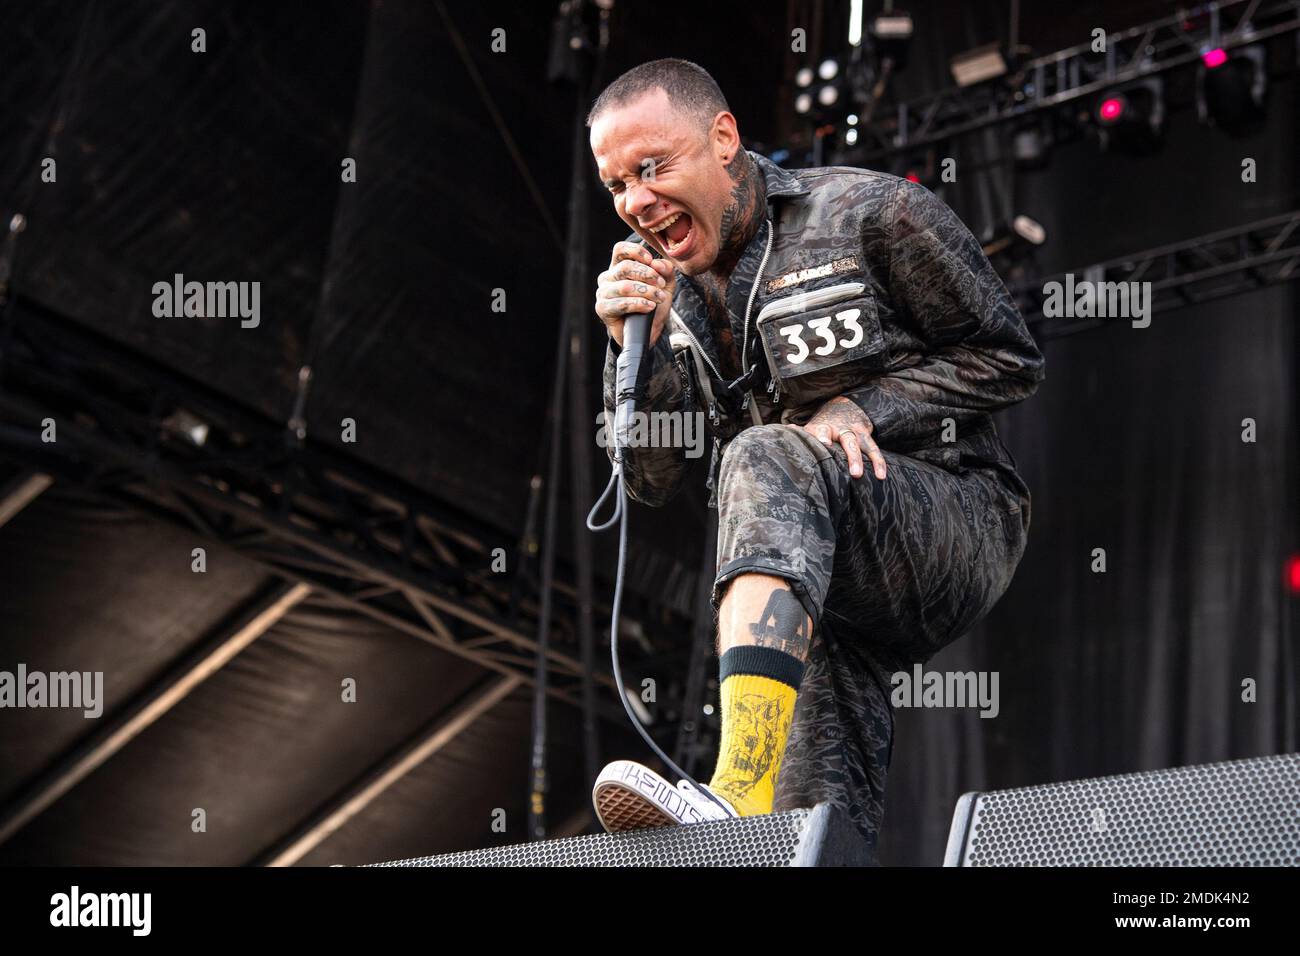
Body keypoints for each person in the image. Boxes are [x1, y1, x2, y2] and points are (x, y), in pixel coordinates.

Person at [586, 58, 1044, 851]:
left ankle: (730, 788)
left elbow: (1008, 356)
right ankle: (761, 824)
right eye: (617, 184)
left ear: (722, 139)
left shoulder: (873, 213)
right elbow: (649, 480)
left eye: (652, 167)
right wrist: (645, 349)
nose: (635, 202)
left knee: (767, 454)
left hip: (953, 517)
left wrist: (860, 407)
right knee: (807, 824)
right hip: (814, 573)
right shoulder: (668, 292)